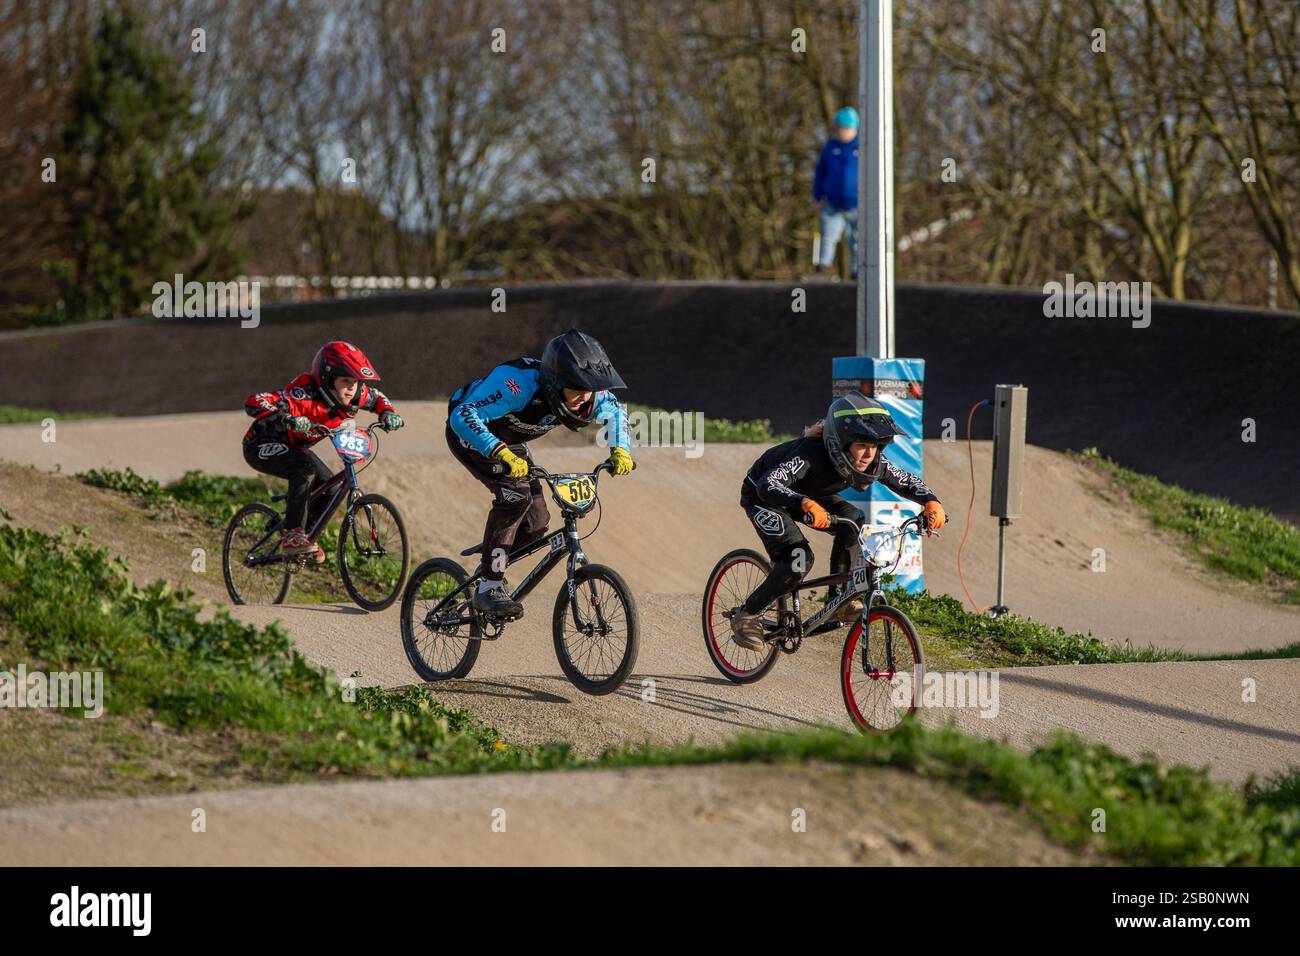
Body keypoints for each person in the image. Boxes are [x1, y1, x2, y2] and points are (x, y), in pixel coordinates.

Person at [731, 392, 945, 649]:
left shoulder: (874, 462)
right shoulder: (810, 454)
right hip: (764, 496)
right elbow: (768, 484)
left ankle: (839, 601)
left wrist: (931, 502)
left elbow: (906, 481)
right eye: (862, 445)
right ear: (840, 443)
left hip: (807, 496)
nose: (869, 454)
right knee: (799, 559)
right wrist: (805, 503)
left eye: (876, 446)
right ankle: (748, 615)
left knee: (853, 519)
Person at [446, 329, 634, 617]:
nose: (586, 397)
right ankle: (489, 587)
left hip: (510, 444)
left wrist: (620, 450)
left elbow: (615, 411)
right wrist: (499, 452)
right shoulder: (517, 386)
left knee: (536, 525)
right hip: (473, 436)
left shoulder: (589, 396)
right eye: (578, 387)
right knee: (515, 497)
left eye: (591, 388)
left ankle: (490, 567)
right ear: (555, 382)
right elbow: (462, 415)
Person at [243, 341, 404, 561]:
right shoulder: (303, 394)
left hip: (295, 448)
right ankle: (293, 535)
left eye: (355, 382)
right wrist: (287, 417)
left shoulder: (355, 394)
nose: (352, 388)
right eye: (345, 381)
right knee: (304, 469)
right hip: (260, 445)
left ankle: (305, 537)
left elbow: (378, 398)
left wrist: (388, 413)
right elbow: (254, 401)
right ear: (327, 379)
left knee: (330, 485)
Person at [812, 106, 860, 276]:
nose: (840, 131)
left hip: (857, 205)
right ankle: (822, 267)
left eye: (843, 128)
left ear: (853, 129)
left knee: (856, 240)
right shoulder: (831, 147)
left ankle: (856, 271)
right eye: (838, 128)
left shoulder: (861, 147)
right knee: (829, 237)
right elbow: (820, 173)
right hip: (833, 204)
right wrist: (817, 196)